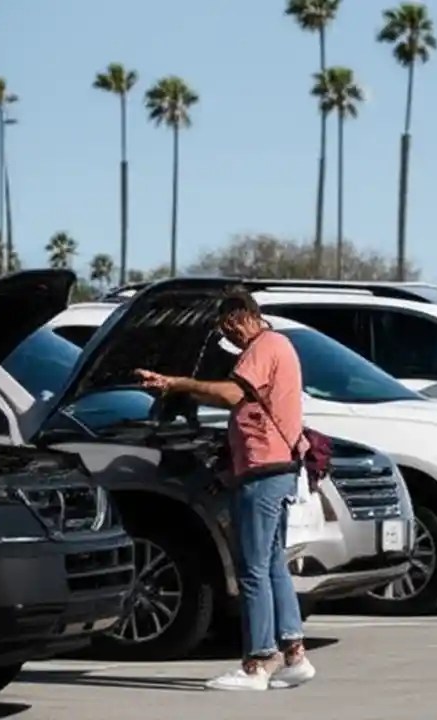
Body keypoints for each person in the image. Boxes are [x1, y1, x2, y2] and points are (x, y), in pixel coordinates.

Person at [135, 287, 315, 691]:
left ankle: (256, 664)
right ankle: (294, 655)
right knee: (271, 564)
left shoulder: (262, 346)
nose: (227, 338)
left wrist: (177, 383)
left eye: (226, 328)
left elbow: (233, 392)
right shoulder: (281, 345)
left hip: (262, 471)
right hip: (280, 467)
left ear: (240, 318)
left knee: (252, 569)